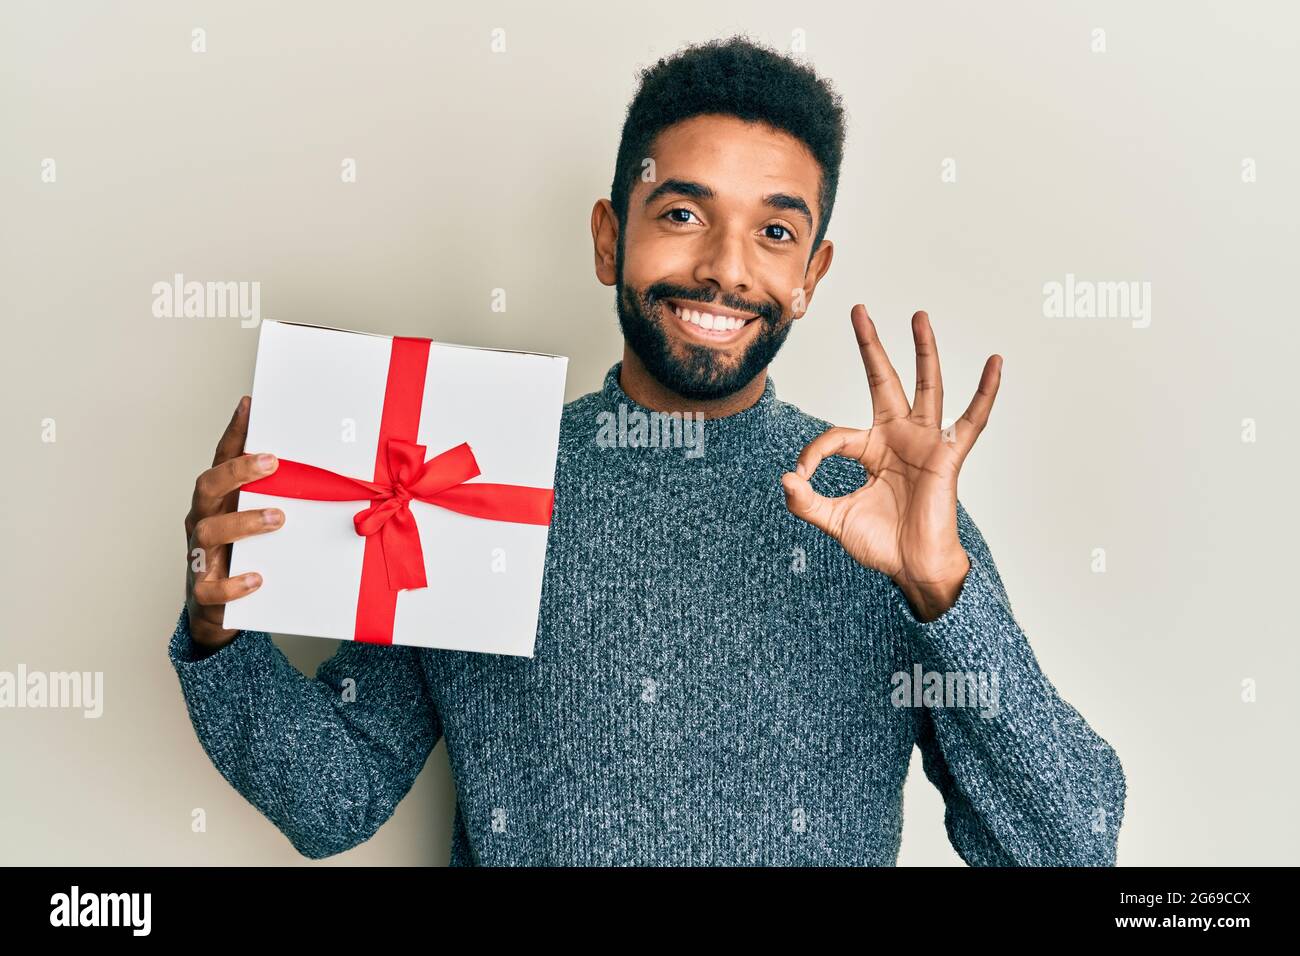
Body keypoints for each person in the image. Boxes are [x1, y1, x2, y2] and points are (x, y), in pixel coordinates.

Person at [170, 35, 1126, 865]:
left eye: (776, 232)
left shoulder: (883, 512)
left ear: (810, 277)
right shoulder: (474, 477)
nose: (724, 267)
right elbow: (333, 803)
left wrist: (947, 599)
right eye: (681, 214)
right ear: (607, 236)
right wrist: (222, 636)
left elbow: (1067, 847)